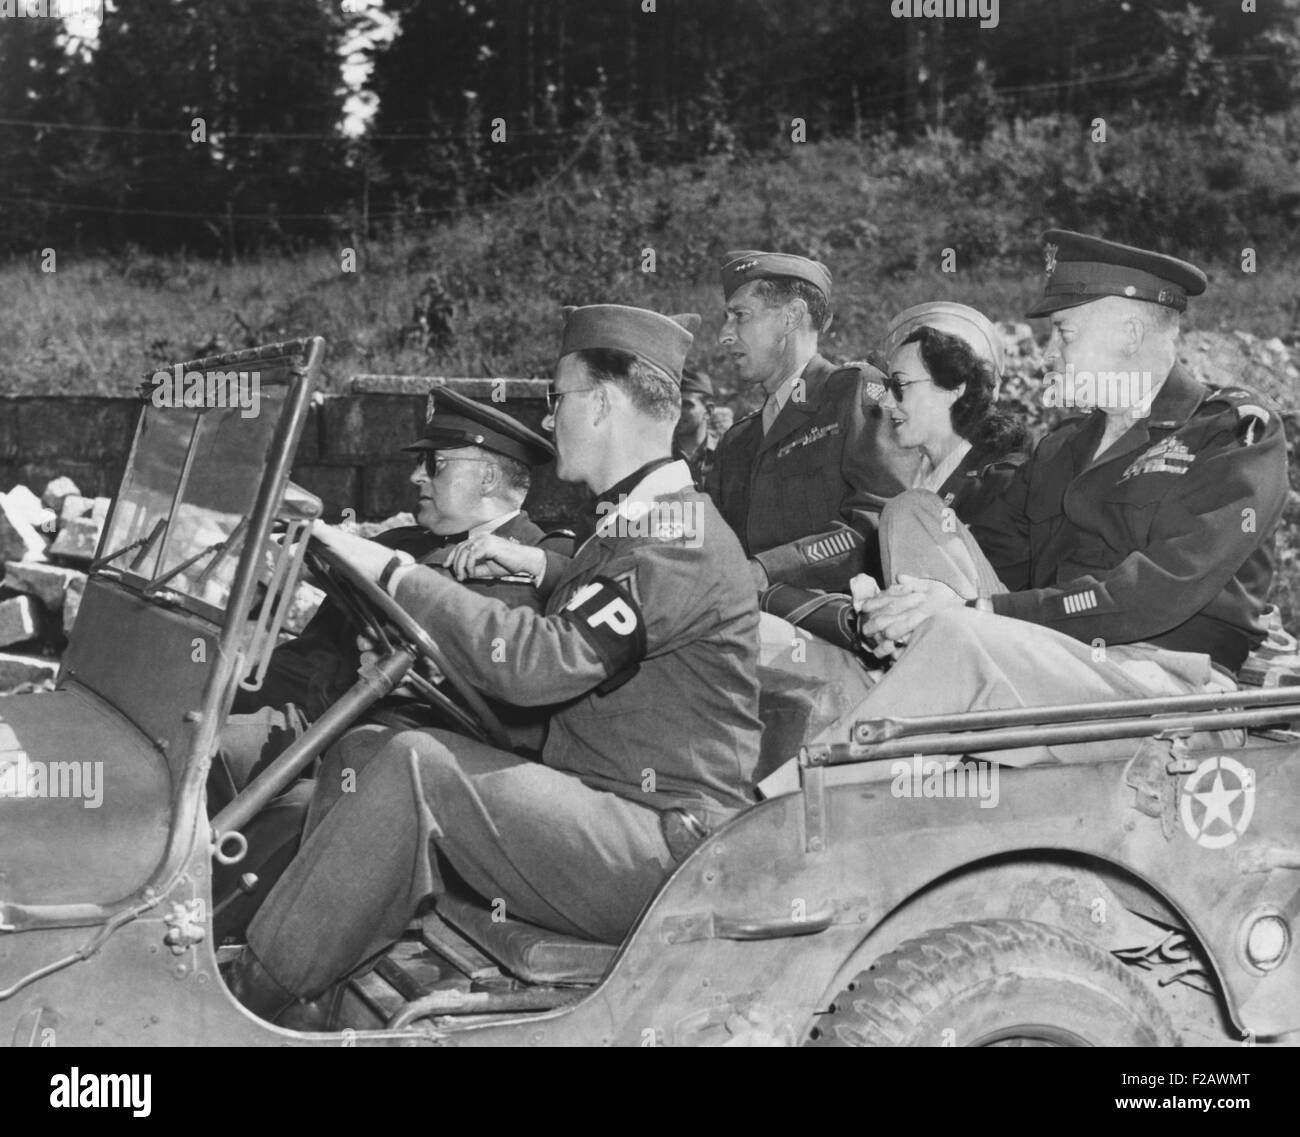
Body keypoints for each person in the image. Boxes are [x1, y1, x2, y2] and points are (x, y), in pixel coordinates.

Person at [224, 304, 763, 1024]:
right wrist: (535, 565)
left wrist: (397, 571)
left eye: (557, 400)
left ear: (602, 404)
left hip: (667, 844)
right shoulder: (630, 528)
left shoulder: (679, 534)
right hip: (609, 812)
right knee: (364, 746)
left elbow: (541, 662)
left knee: (415, 764)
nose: (549, 421)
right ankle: (320, 985)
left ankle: (244, 1007)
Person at [852, 230, 1289, 769]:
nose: (1049, 355)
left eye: (1064, 333)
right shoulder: (1062, 447)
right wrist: (897, 611)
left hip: (1162, 685)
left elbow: (1155, 594)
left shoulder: (1230, 432)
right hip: (1055, 663)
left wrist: (976, 613)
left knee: (957, 629)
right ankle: (929, 691)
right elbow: (986, 554)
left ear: (1130, 332)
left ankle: (815, 803)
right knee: (913, 514)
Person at [209, 387, 567, 812]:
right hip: (291, 705)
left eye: (434, 464)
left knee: (199, 760)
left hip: (358, 745)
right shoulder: (402, 541)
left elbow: (510, 685)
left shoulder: (542, 563)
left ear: (487, 478)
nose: (416, 476)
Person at [760, 301, 1028, 651]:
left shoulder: (1005, 482)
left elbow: (1006, 608)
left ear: (955, 387)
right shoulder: (908, 481)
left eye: (900, 385)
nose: (886, 402)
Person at [705, 249, 918, 594]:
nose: (725, 335)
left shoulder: (855, 393)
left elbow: (882, 523)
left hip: (837, 624)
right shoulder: (738, 441)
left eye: (740, 316)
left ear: (791, 317)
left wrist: (767, 570)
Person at [672, 367, 718, 486]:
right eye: (674, 403)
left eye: (686, 405)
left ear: (708, 411)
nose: (677, 410)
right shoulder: (659, 453)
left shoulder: (726, 456)